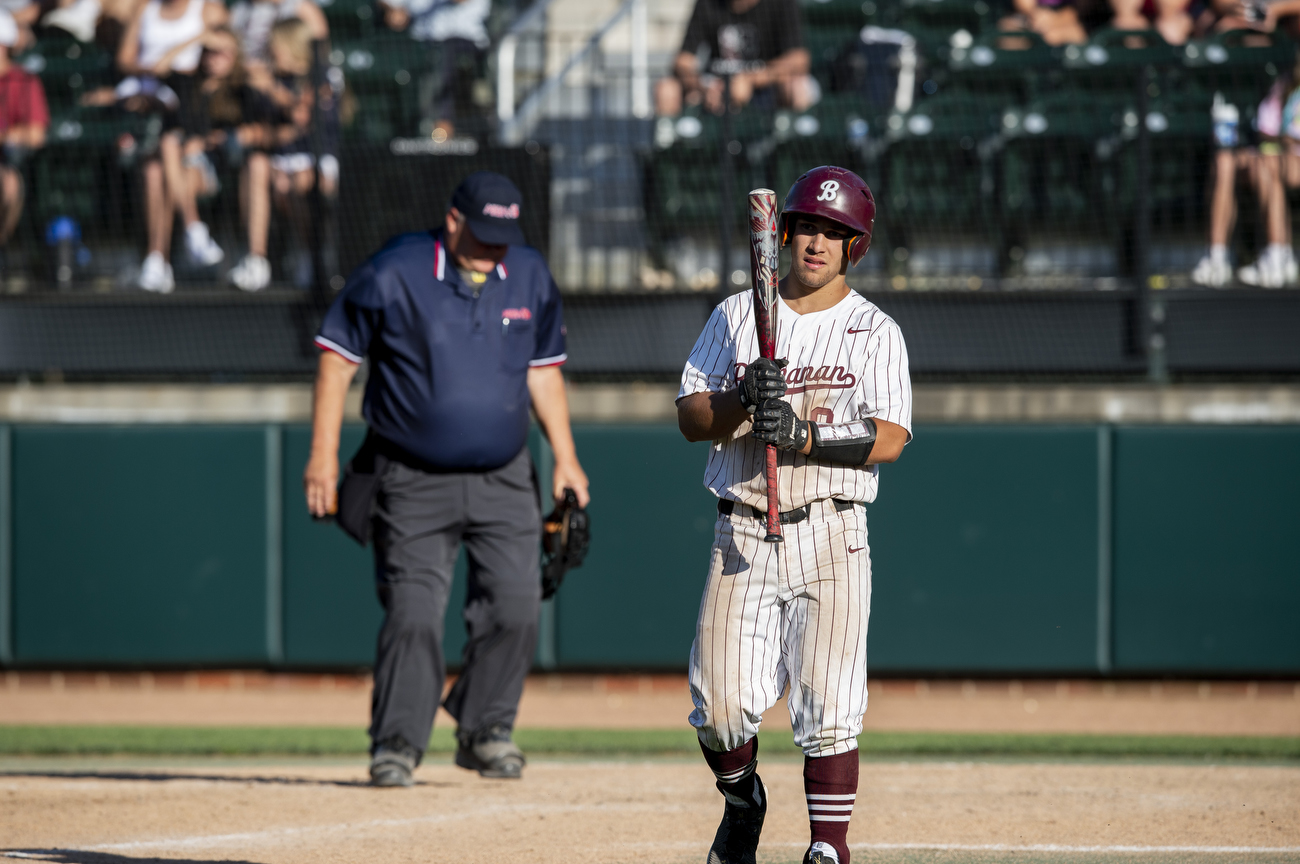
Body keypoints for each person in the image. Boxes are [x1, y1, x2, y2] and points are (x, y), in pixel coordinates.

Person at [304, 171, 590, 788]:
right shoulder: (395, 270)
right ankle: (397, 745)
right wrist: (323, 457)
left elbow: (544, 373)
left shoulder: (530, 274)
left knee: (516, 607)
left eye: (504, 237)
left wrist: (565, 456)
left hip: (505, 474)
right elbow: (336, 358)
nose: (495, 249)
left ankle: (485, 730)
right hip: (410, 476)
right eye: (483, 235)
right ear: (453, 221)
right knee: (412, 612)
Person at [675, 166, 911, 864]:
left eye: (836, 233)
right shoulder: (736, 315)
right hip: (744, 524)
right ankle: (743, 805)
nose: (818, 241)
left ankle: (828, 847)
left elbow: (891, 438)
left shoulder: (873, 329)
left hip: (834, 529)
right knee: (719, 711)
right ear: (783, 232)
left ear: (855, 248)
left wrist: (804, 436)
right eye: (808, 225)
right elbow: (691, 416)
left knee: (830, 708)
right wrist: (743, 397)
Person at [118, 0, 228, 292]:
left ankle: (159, 258)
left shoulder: (208, 9)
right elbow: (126, 58)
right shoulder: (145, 8)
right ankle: (177, 245)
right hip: (155, 116)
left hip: (194, 148)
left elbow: (227, 42)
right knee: (156, 172)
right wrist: (154, 69)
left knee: (166, 160)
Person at [655, 0, 814, 118]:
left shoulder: (780, 4)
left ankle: (791, 151)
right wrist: (702, 86)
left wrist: (751, 79)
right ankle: (672, 155)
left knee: (797, 88)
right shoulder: (708, 3)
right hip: (715, 87)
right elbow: (682, 61)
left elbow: (799, 60)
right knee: (666, 88)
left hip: (766, 87)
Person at [377, 0, 489, 141]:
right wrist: (394, 11)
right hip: (421, 43)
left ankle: (442, 128)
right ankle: (410, 129)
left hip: (465, 40)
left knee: (444, 55)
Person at [0, 8, 47, 272]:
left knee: (8, 186)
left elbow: (36, 134)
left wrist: (10, 135)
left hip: (8, 162)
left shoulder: (23, 81)